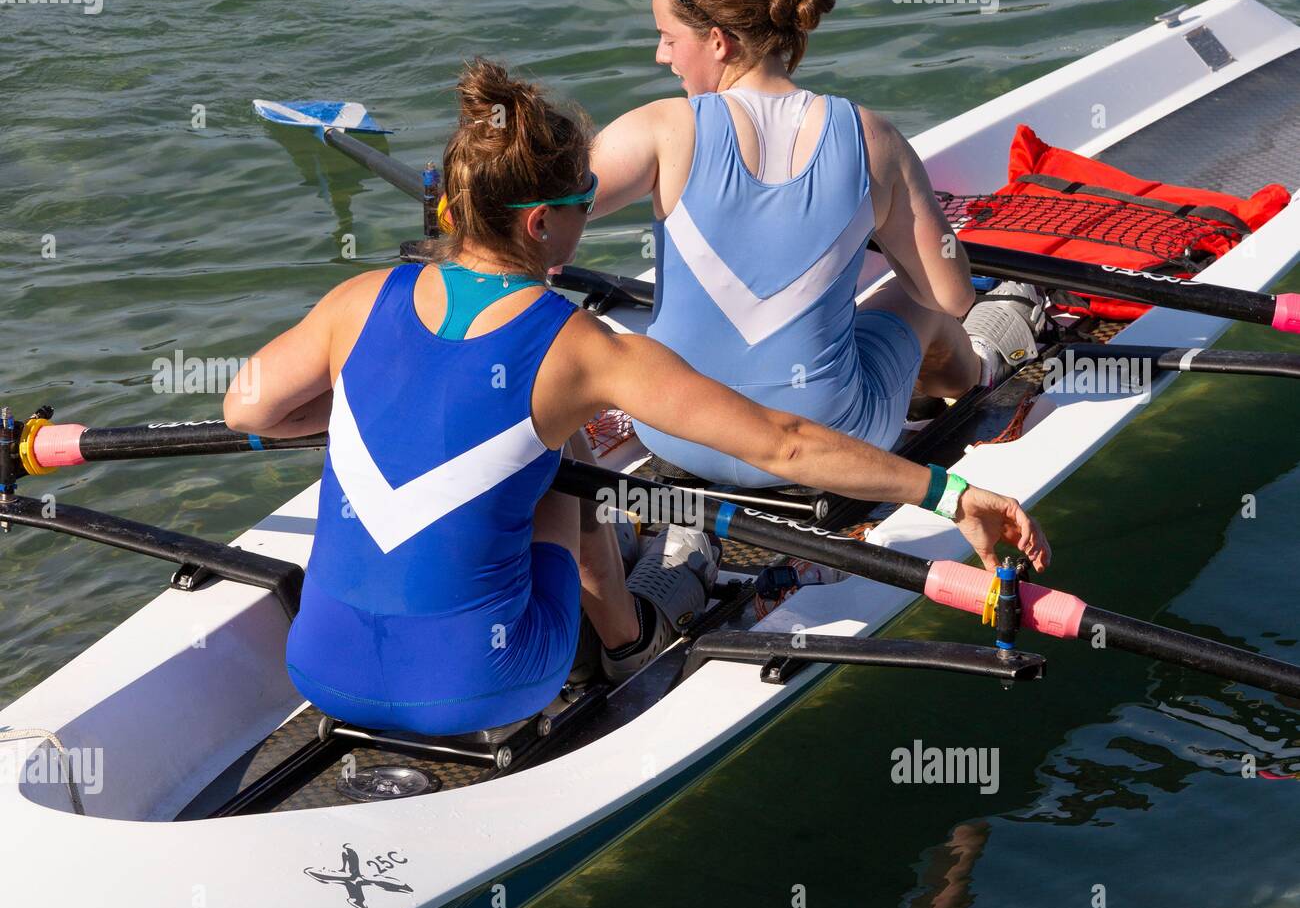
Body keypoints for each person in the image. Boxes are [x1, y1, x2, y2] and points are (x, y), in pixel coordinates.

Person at [225, 59, 1048, 739]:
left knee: (530, 450)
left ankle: (602, 576)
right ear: (543, 223)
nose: (591, 218)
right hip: (489, 683)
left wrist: (383, 408)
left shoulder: (358, 300)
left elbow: (247, 411)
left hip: (319, 668)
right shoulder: (579, 346)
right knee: (555, 464)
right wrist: (952, 493)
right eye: (586, 205)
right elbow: (785, 444)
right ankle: (626, 642)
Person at [587, 0, 1042, 487]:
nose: (662, 57)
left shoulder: (656, 128)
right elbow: (953, 294)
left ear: (717, 42)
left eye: (667, 39)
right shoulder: (874, 138)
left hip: (676, 431)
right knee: (921, 305)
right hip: (834, 441)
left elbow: (545, 207)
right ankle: (982, 371)